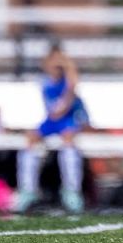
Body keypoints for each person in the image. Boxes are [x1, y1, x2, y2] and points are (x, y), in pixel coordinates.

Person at [16, 45, 88, 214]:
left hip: (67, 122)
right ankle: (27, 191)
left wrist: (69, 66)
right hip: (52, 122)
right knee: (30, 142)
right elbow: (54, 112)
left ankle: (72, 191)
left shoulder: (67, 81)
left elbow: (70, 93)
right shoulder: (46, 83)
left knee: (69, 143)